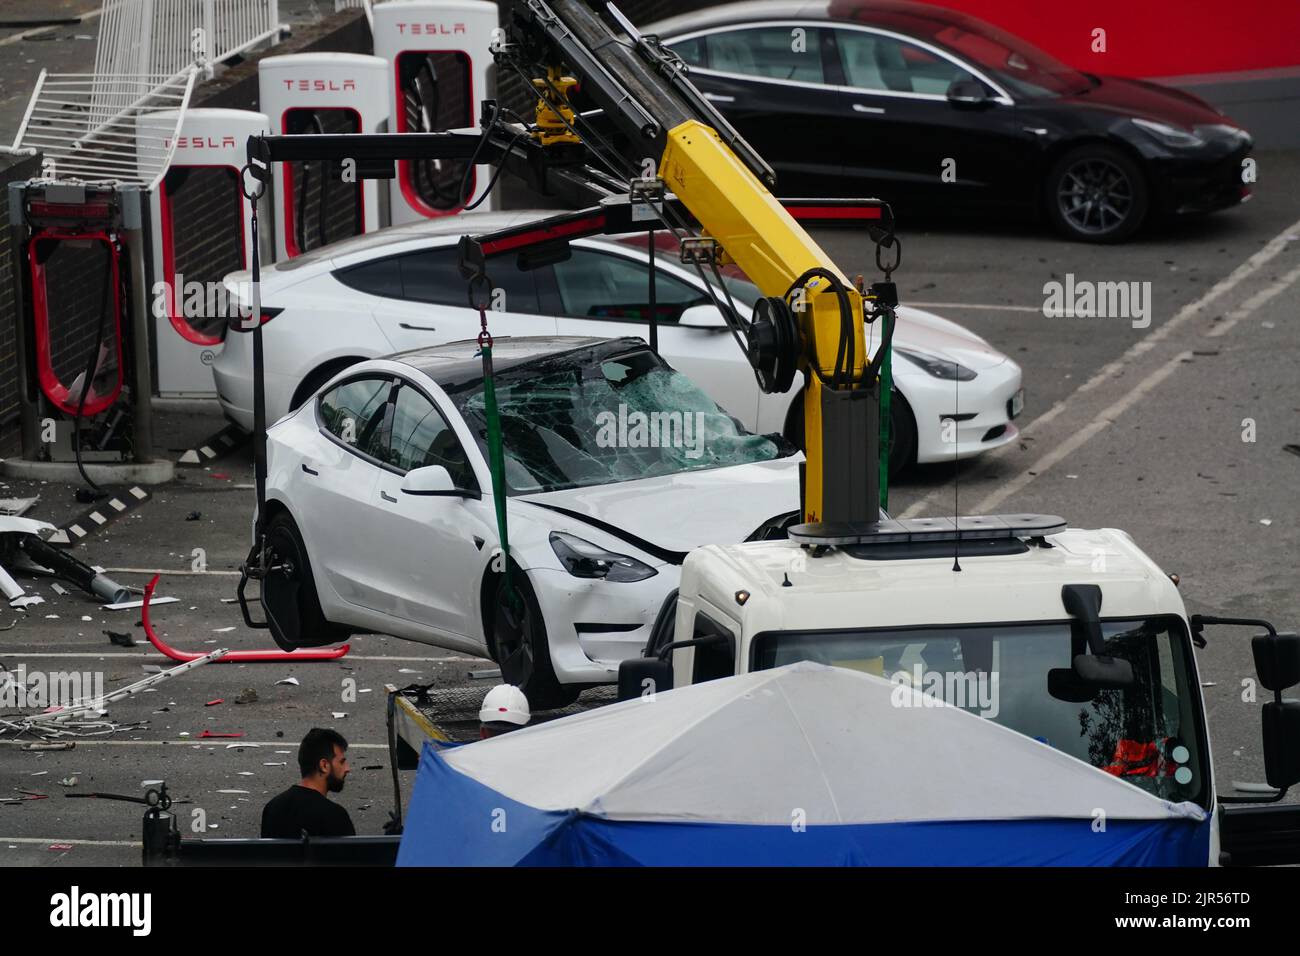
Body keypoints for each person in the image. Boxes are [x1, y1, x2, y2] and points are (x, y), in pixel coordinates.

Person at [261, 727, 355, 838]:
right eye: (342, 762)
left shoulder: (272, 808)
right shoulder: (335, 815)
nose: (347, 768)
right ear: (324, 765)